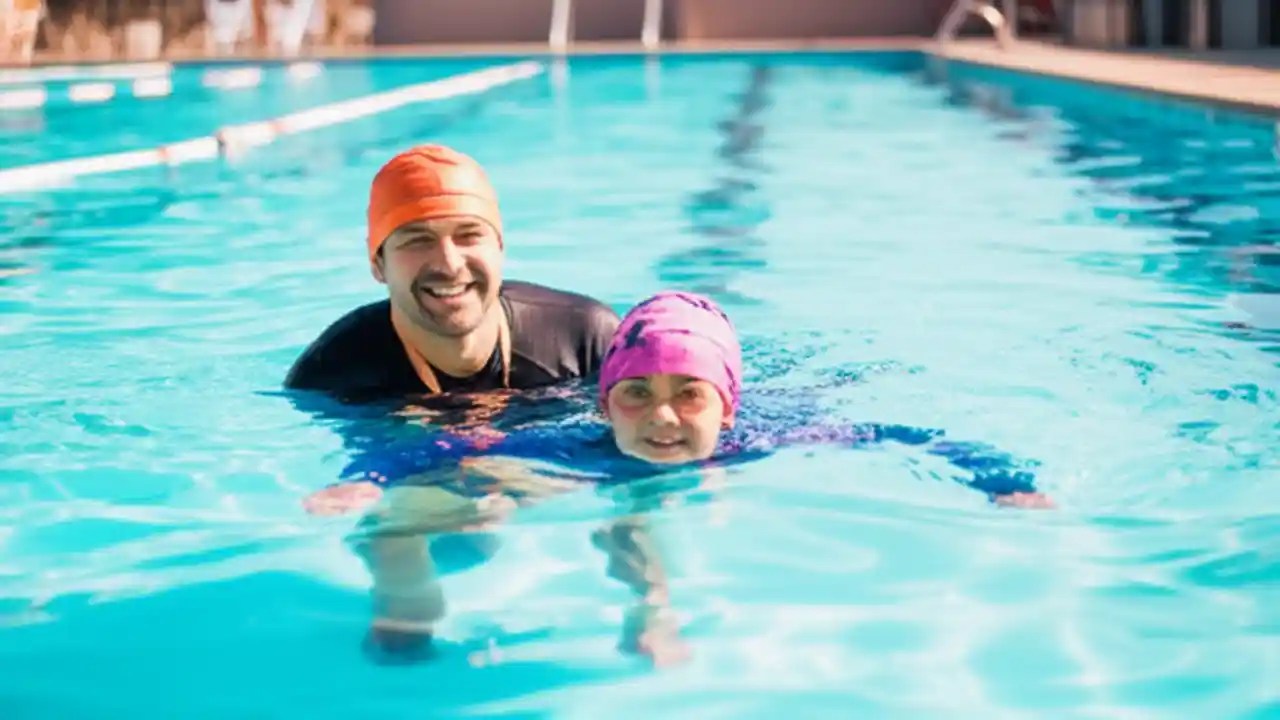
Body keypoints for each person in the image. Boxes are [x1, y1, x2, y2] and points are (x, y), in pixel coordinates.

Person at [331, 291, 1053, 667]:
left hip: (777, 401)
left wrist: (1003, 481)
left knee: (633, 508)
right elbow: (450, 445)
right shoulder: (580, 445)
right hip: (609, 479)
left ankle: (652, 607)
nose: (663, 418)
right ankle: (649, 605)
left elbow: (905, 435)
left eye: (690, 396)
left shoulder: (763, 438)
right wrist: (364, 480)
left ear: (726, 408)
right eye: (636, 395)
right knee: (620, 503)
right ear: (605, 403)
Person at [284, 143, 620, 403]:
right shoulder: (332, 373)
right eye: (418, 241)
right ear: (378, 265)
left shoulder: (588, 341)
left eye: (469, 235)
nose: (449, 264)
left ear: (499, 247)